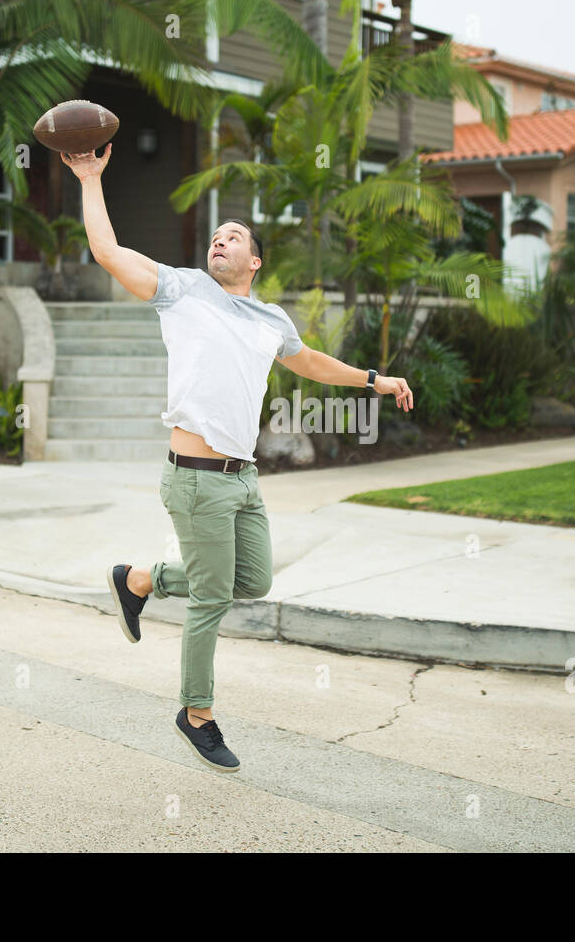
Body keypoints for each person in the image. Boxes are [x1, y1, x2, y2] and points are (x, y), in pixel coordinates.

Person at [62, 145, 414, 772]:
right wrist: (91, 179)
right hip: (195, 480)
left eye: (234, 237)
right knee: (213, 599)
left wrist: (372, 379)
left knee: (254, 581)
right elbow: (108, 252)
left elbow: (308, 361)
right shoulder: (181, 290)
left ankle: (138, 580)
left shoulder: (270, 318)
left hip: (244, 478)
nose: (220, 241)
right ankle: (196, 713)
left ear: (255, 261)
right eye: (215, 236)